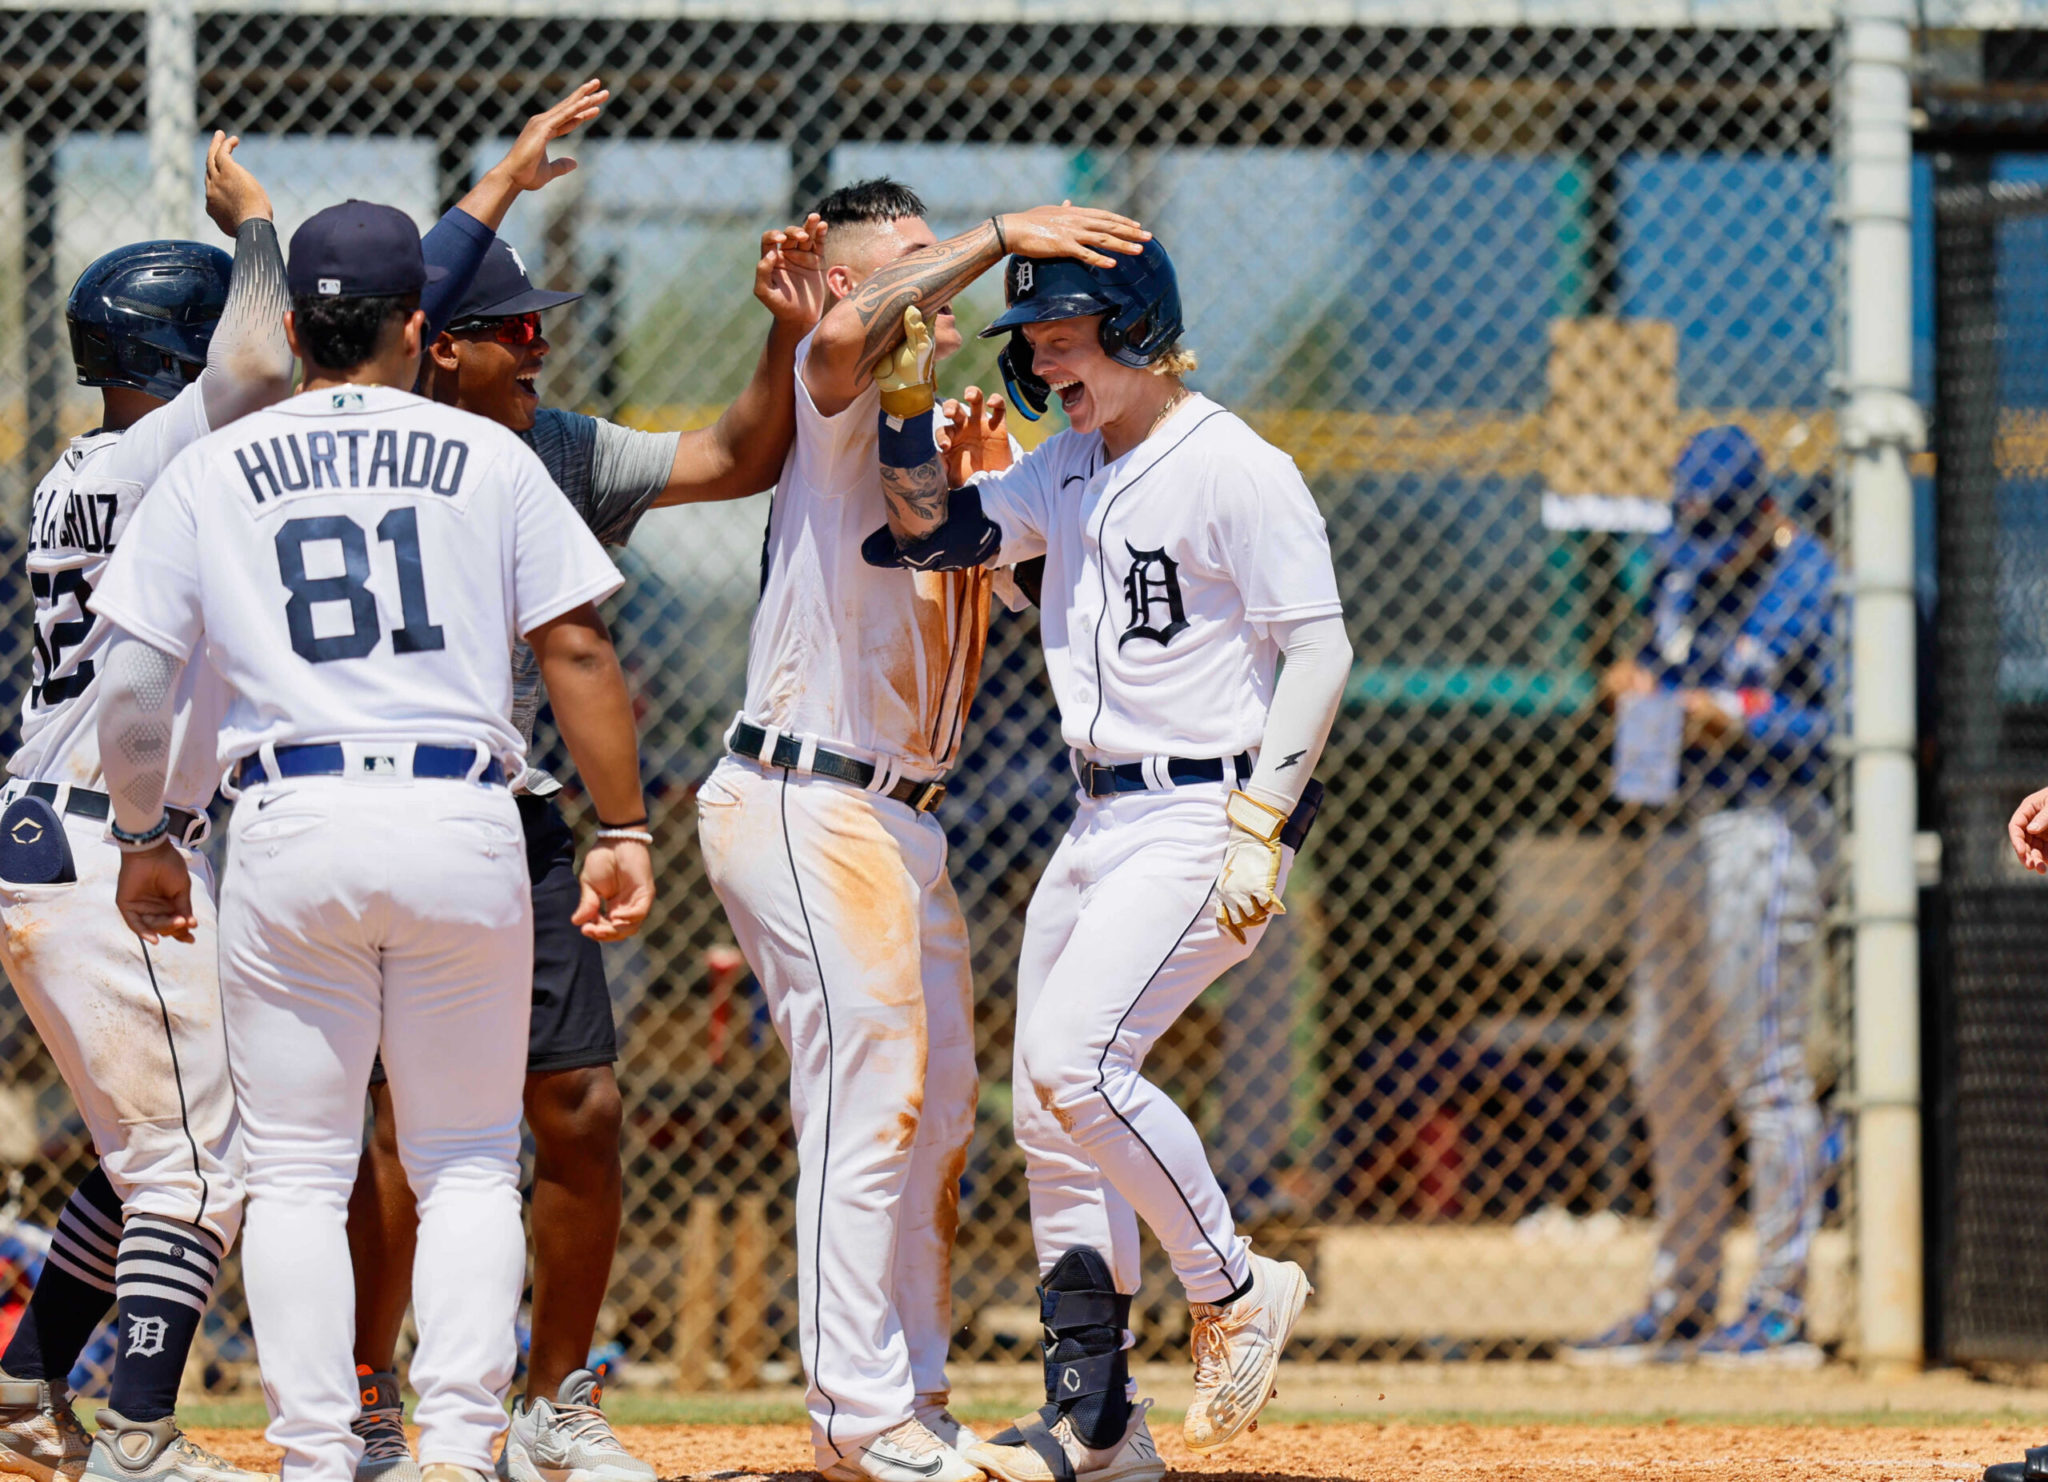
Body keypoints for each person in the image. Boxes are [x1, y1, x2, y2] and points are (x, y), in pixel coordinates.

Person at [88, 200, 654, 1482]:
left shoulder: (218, 461)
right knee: (463, 1159)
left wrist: (145, 837)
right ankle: (458, 1445)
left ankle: (316, 1450)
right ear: (416, 326)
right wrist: (620, 825)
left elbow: (132, 685)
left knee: (294, 1170)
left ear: (291, 328)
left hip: (291, 819)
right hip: (464, 819)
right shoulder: (492, 457)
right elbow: (573, 646)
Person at [344, 216, 827, 1482]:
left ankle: (554, 1401)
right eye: (515, 328)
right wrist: (495, 182)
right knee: (398, 1134)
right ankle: (366, 1396)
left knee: (580, 1108)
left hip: (521, 822)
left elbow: (733, 456)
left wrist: (781, 333)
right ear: (434, 348)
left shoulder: (547, 448)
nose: (543, 344)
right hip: (386, 813)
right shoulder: (357, 441)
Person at [861, 236, 1350, 1480]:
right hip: (1098, 821)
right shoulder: (1068, 463)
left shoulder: (1234, 465)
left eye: (1063, 338)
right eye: (1032, 343)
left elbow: (1319, 651)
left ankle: (1234, 1285)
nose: (1039, 361)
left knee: (1082, 1065)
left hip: (1202, 815)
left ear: (1136, 332)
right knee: (1048, 1109)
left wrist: (1264, 820)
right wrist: (909, 408)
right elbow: (933, 536)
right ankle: (1095, 1420)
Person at [693, 179, 1148, 1482]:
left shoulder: (944, 429)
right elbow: (841, 344)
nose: (939, 298)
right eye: (911, 267)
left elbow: (1033, 567)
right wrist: (997, 236)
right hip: (805, 793)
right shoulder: (831, 384)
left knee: (939, 1108)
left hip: (903, 821)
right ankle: (857, 1407)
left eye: (941, 266)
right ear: (849, 284)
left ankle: (916, 1392)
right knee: (872, 1090)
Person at [0, 131, 291, 1482]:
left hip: (47, 832)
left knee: (136, 1156)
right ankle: (139, 1435)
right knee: (197, 1167)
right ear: (170, 359)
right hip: (102, 843)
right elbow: (255, 364)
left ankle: (22, 1394)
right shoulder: (159, 454)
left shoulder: (84, 467)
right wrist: (257, 227)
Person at [1567, 424, 1834, 1369]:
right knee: (1664, 1068)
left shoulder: (1816, 582)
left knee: (1765, 1073)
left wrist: (1735, 715)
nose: (1706, 557)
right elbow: (1653, 664)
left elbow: (1847, 728)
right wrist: (1633, 685)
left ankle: (1777, 1307)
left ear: (1764, 512)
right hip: (1676, 829)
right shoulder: (1675, 570)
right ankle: (1681, 1302)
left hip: (1769, 824)